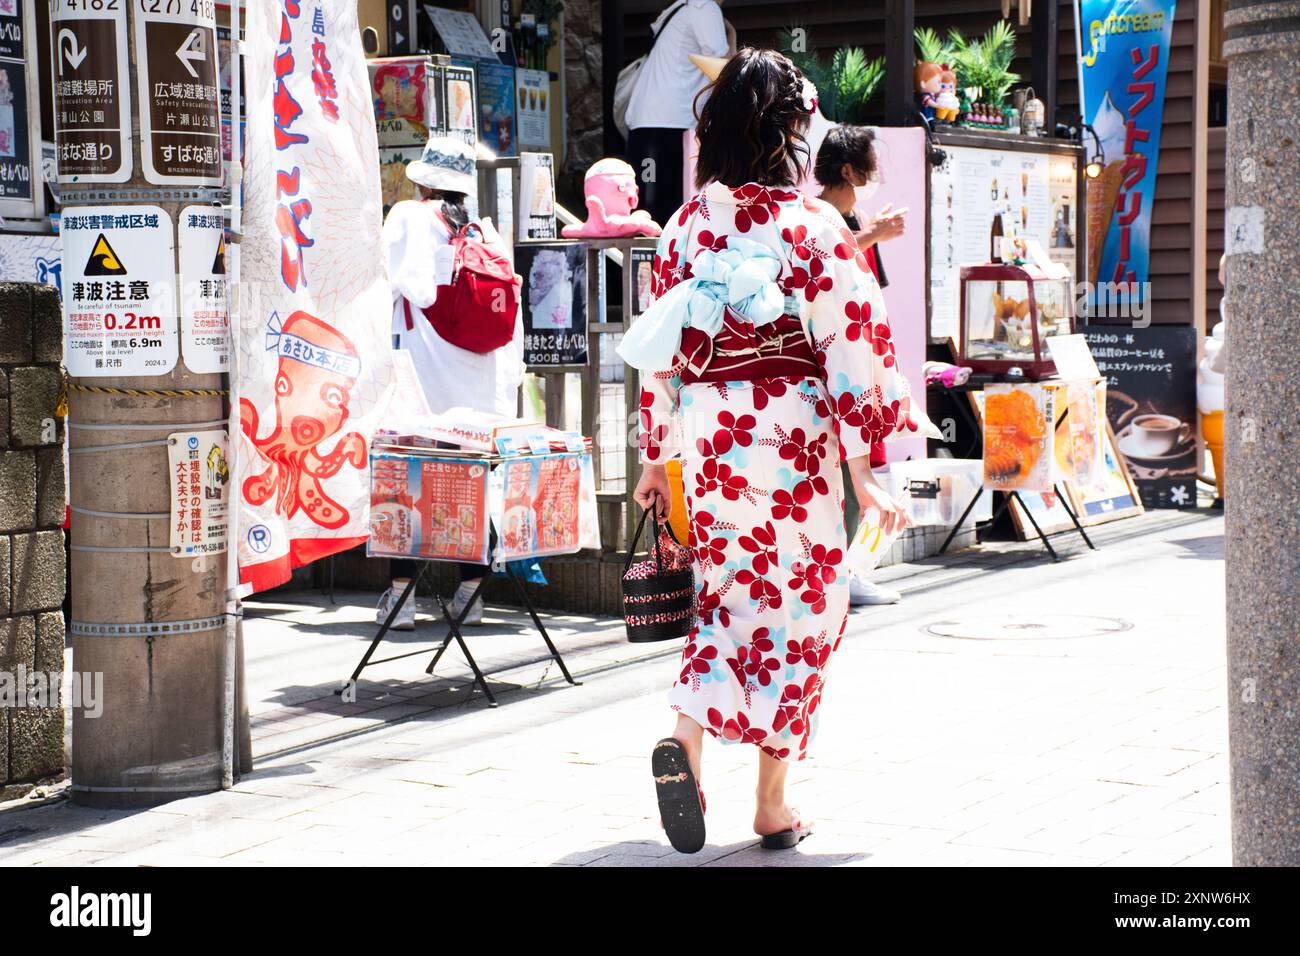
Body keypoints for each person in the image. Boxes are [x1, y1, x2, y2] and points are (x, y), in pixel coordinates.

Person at [621, 48, 916, 854]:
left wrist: (657, 456)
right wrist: (865, 466)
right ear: (789, 128)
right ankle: (772, 803)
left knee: (727, 599)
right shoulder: (810, 225)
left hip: (713, 435)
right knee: (807, 607)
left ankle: (685, 736)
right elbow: (851, 344)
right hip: (791, 438)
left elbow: (664, 350)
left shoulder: (684, 227)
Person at [379, 136, 525, 628]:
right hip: (480, 379)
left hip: (421, 373)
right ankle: (470, 593)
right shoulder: (487, 233)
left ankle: (401, 597)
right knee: (471, 480)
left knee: (408, 475)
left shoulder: (407, 217)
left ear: (421, 179)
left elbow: (393, 281)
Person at [814, 125, 911, 606]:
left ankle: (849, 572)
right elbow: (818, 274)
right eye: (871, 164)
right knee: (844, 471)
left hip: (861, 360)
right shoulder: (816, 219)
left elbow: (871, 296)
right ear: (849, 170)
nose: (876, 174)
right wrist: (873, 234)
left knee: (864, 468)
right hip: (829, 366)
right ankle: (837, 577)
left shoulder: (857, 216)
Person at [624, 0, 734, 228]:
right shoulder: (704, 6)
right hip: (672, 124)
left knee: (645, 210)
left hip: (647, 123)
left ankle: (641, 264)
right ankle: (663, 264)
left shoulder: (680, 8)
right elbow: (725, 70)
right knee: (670, 214)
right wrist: (732, 36)